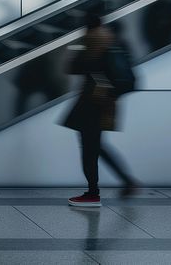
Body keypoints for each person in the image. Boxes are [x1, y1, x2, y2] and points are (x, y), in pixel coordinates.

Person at [63, 11, 139, 207]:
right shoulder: (112, 42)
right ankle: (126, 181)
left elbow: (73, 67)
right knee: (95, 146)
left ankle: (93, 194)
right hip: (102, 103)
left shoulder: (95, 42)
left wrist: (80, 46)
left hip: (94, 103)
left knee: (90, 148)